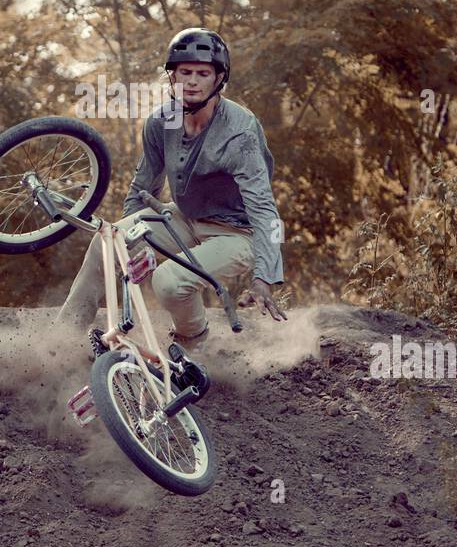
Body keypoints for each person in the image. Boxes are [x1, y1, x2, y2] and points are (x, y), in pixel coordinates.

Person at [56, 27, 287, 351]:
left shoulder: (240, 132)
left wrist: (264, 277)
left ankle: (192, 343)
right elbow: (143, 187)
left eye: (202, 73)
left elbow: (264, 208)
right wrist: (132, 246)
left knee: (169, 281)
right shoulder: (161, 121)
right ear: (172, 76)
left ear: (219, 79)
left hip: (236, 233)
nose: (192, 81)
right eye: (185, 72)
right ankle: (62, 340)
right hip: (184, 216)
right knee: (107, 242)